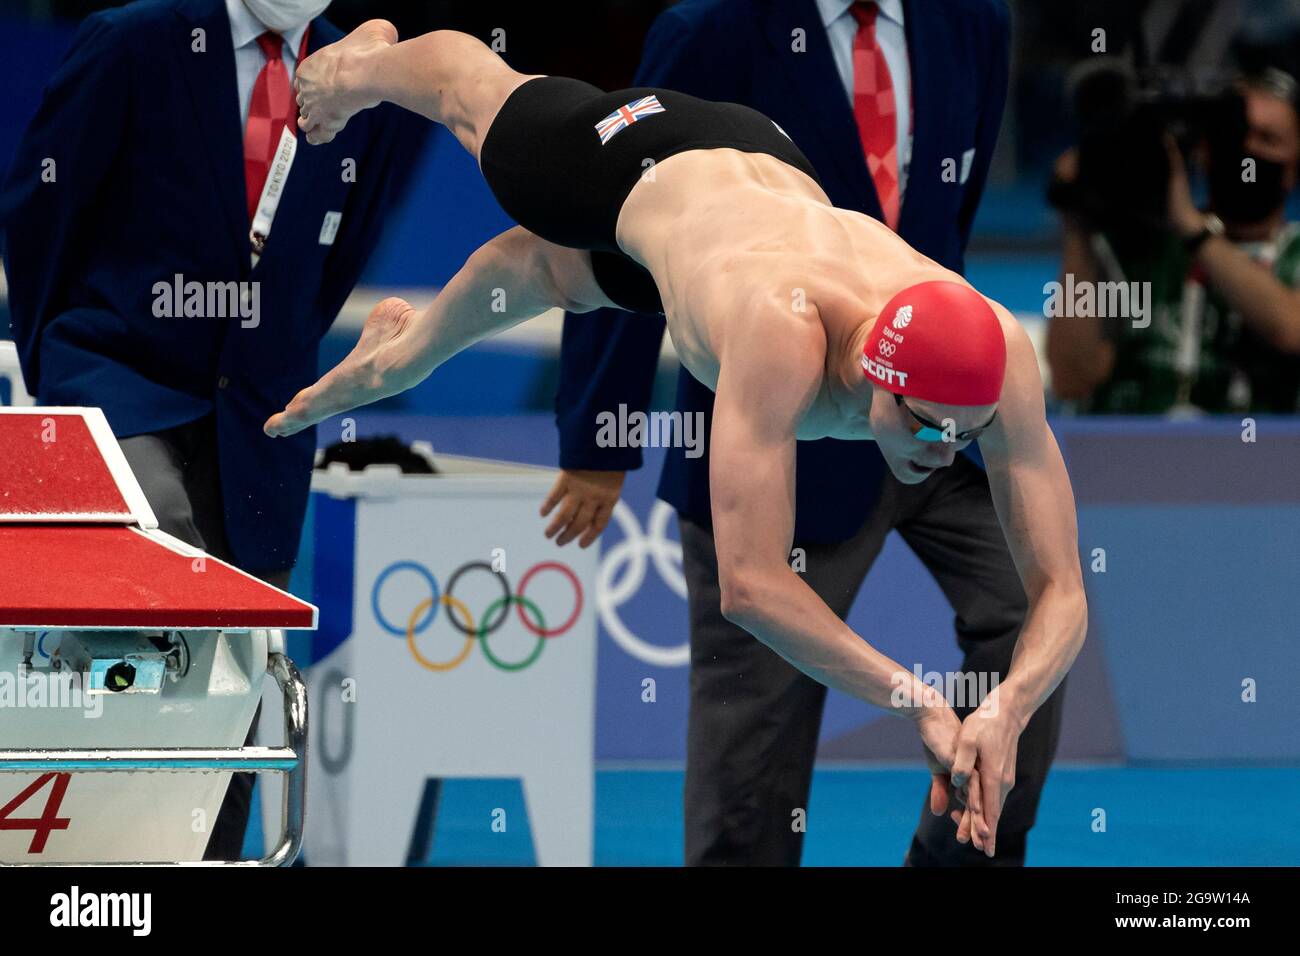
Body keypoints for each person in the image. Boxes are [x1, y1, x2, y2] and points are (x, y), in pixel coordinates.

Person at [265, 22, 1089, 854]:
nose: (947, 454)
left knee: (548, 275)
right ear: (876, 374)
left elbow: (1062, 589)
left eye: (966, 434)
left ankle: (397, 355)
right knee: (477, 104)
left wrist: (1006, 706)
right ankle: (366, 60)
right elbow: (753, 586)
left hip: (767, 166)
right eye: (931, 429)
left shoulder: (1000, 352)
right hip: (644, 166)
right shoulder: (782, 332)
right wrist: (917, 700)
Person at [542, 0, 1063, 867]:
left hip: (941, 418)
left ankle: (962, 851)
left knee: (1028, 623)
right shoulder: (714, 26)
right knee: (756, 736)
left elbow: (950, 212)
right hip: (781, 413)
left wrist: (954, 375)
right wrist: (600, 435)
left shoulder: (972, 19)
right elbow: (626, 223)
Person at [1, 0, 416, 860]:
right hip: (119, 382)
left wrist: (275, 352)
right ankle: (92, 867)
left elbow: (336, 257)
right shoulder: (136, 39)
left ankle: (207, 862)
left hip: (262, 415)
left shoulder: (361, 77)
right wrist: (67, 381)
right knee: (162, 600)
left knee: (235, 676)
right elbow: (40, 208)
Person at [1048, 67, 1300, 412]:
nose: (1247, 149)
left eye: (1267, 139)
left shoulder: (1295, 251)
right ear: (1203, 149)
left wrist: (1189, 224)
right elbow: (1071, 377)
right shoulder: (1132, 249)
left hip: (1259, 462)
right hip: (1127, 459)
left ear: (1294, 166)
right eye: (1236, 134)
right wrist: (1078, 223)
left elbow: (1290, 329)